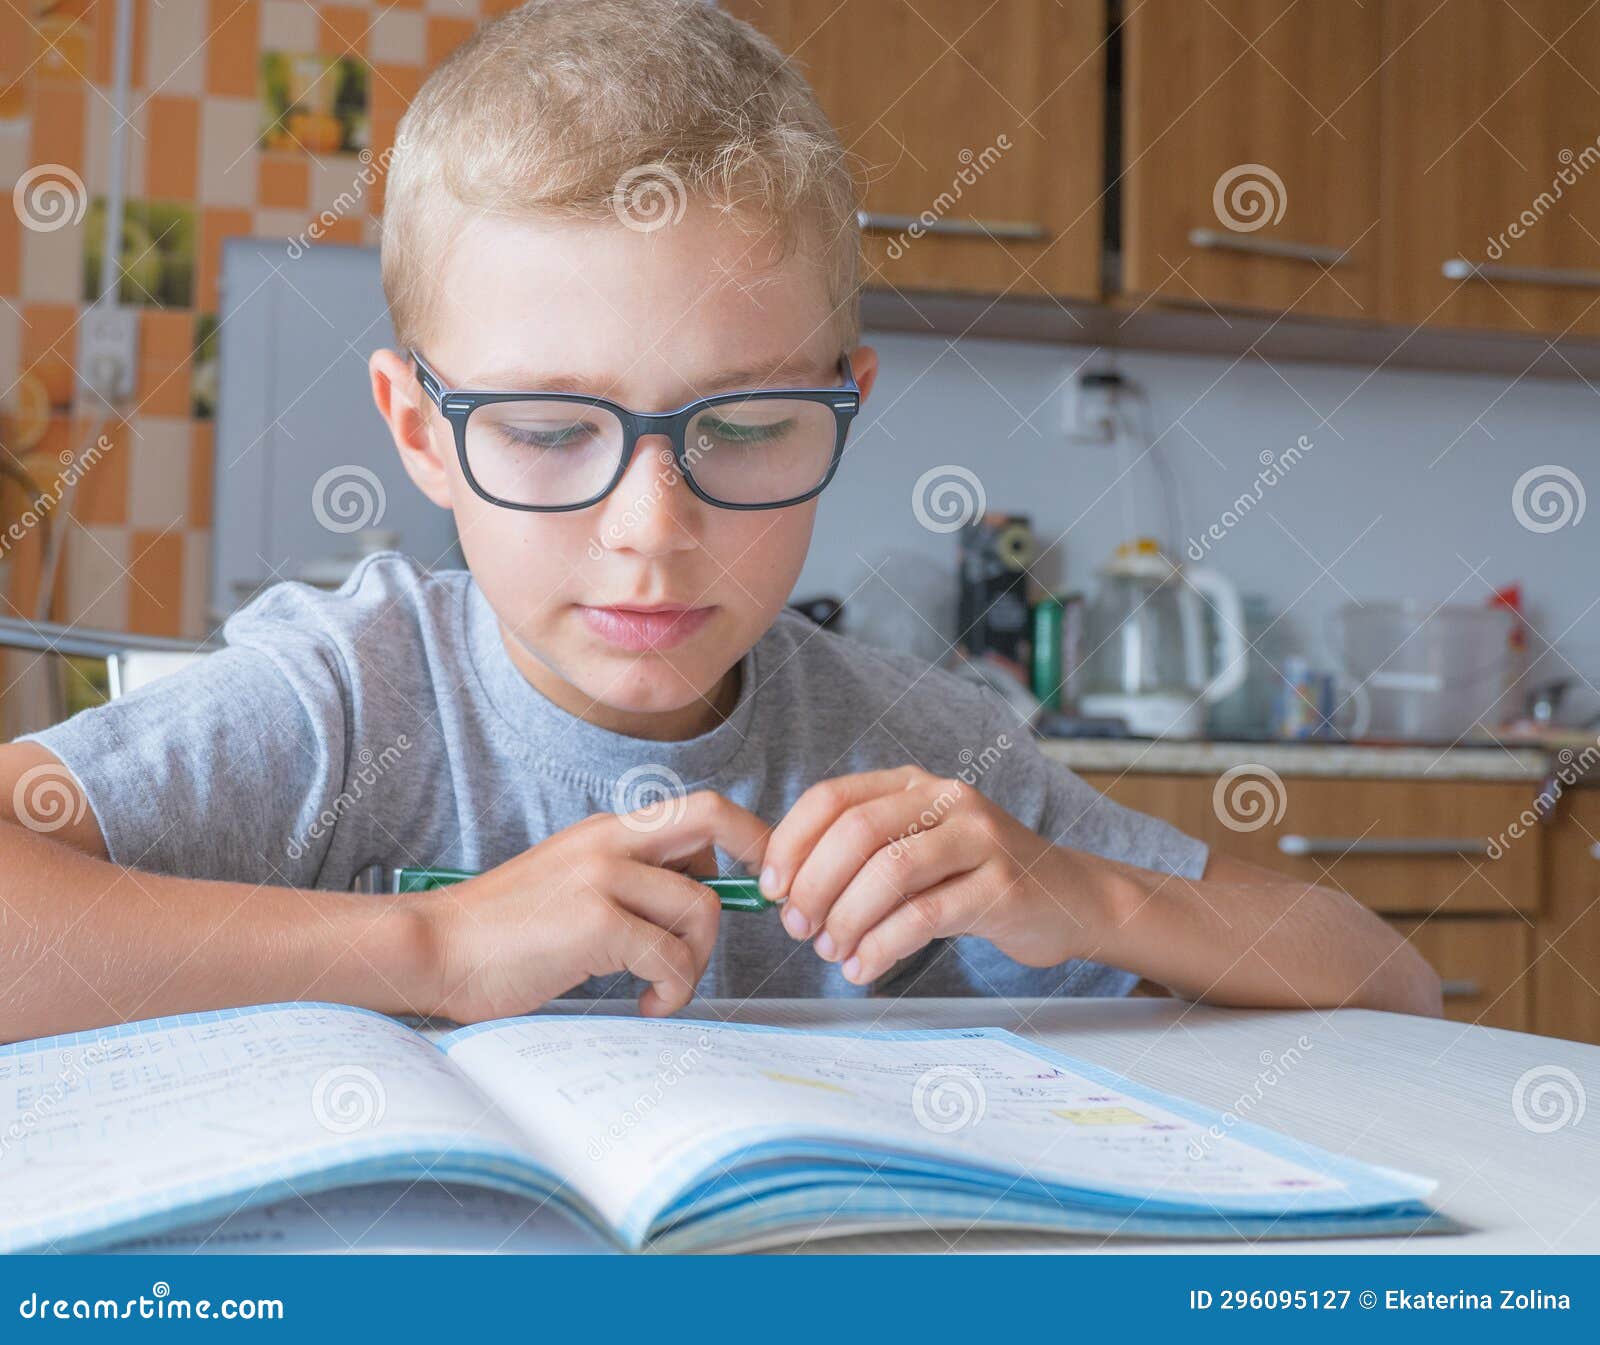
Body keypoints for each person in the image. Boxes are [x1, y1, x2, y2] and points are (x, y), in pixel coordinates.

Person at [0, 0, 1441, 1042]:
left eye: (744, 427)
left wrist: (1083, 897)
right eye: (555, 430)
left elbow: (1390, 982)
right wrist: (430, 943)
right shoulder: (345, 696)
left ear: (846, 403)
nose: (651, 526)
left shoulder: (920, 752)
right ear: (420, 431)